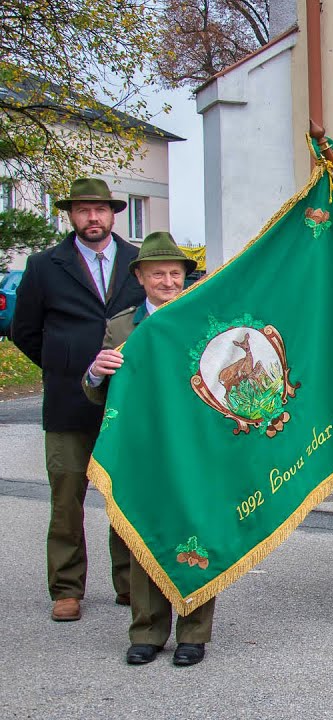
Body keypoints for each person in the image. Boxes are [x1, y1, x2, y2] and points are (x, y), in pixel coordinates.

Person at [11, 177, 145, 622]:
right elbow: (24, 330)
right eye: (84, 210)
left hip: (126, 404)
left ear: (112, 214)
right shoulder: (45, 265)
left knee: (124, 497)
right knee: (67, 496)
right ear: (70, 214)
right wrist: (63, 362)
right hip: (68, 403)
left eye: (100, 210)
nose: (93, 218)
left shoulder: (137, 260)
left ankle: (130, 584)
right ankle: (67, 587)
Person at [83, 231, 212, 665]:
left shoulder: (204, 317)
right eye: (158, 274)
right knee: (144, 535)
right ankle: (147, 631)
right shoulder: (120, 326)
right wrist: (97, 372)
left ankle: (194, 632)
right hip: (145, 451)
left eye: (176, 273)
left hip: (196, 449)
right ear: (141, 277)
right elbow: (97, 392)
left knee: (196, 531)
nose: (169, 281)